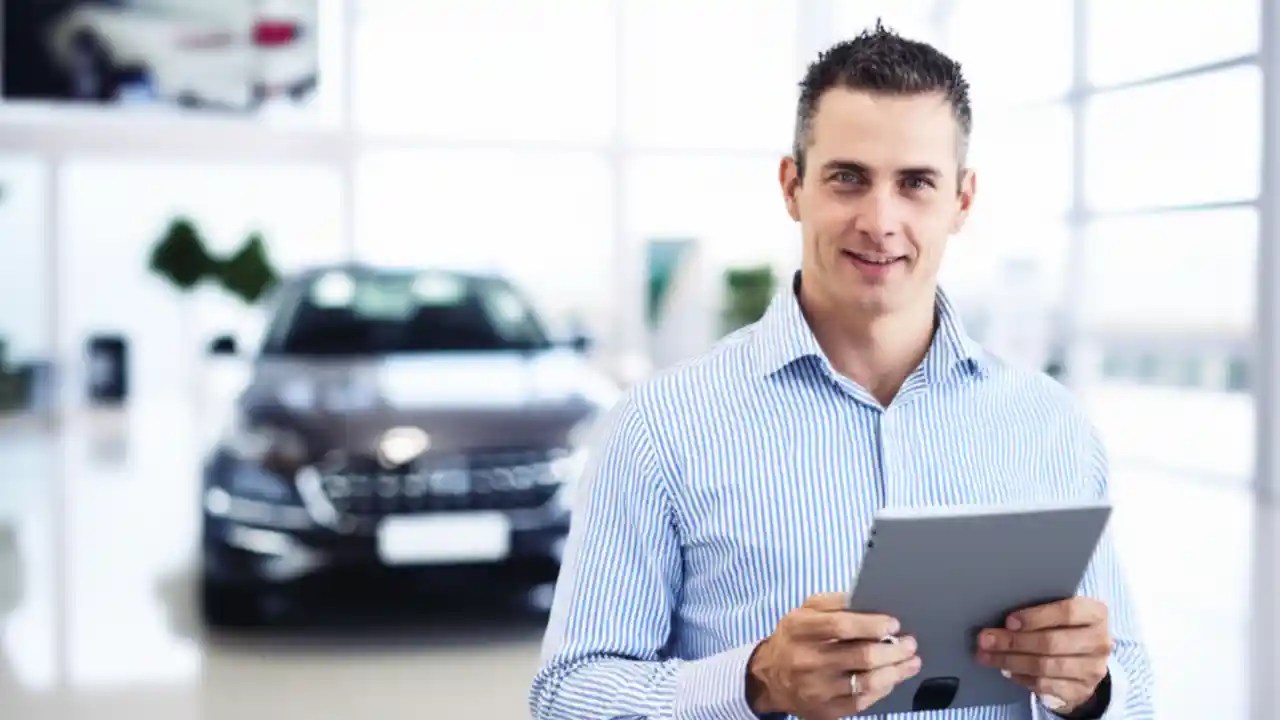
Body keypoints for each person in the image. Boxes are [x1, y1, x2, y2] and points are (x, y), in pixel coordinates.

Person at [530, 24, 1154, 720]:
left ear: (963, 201)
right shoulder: (659, 427)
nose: (880, 221)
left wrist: (1091, 690)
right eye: (848, 178)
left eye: (916, 183)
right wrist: (755, 681)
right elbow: (568, 697)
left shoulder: (1051, 425)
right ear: (793, 186)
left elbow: (1132, 683)